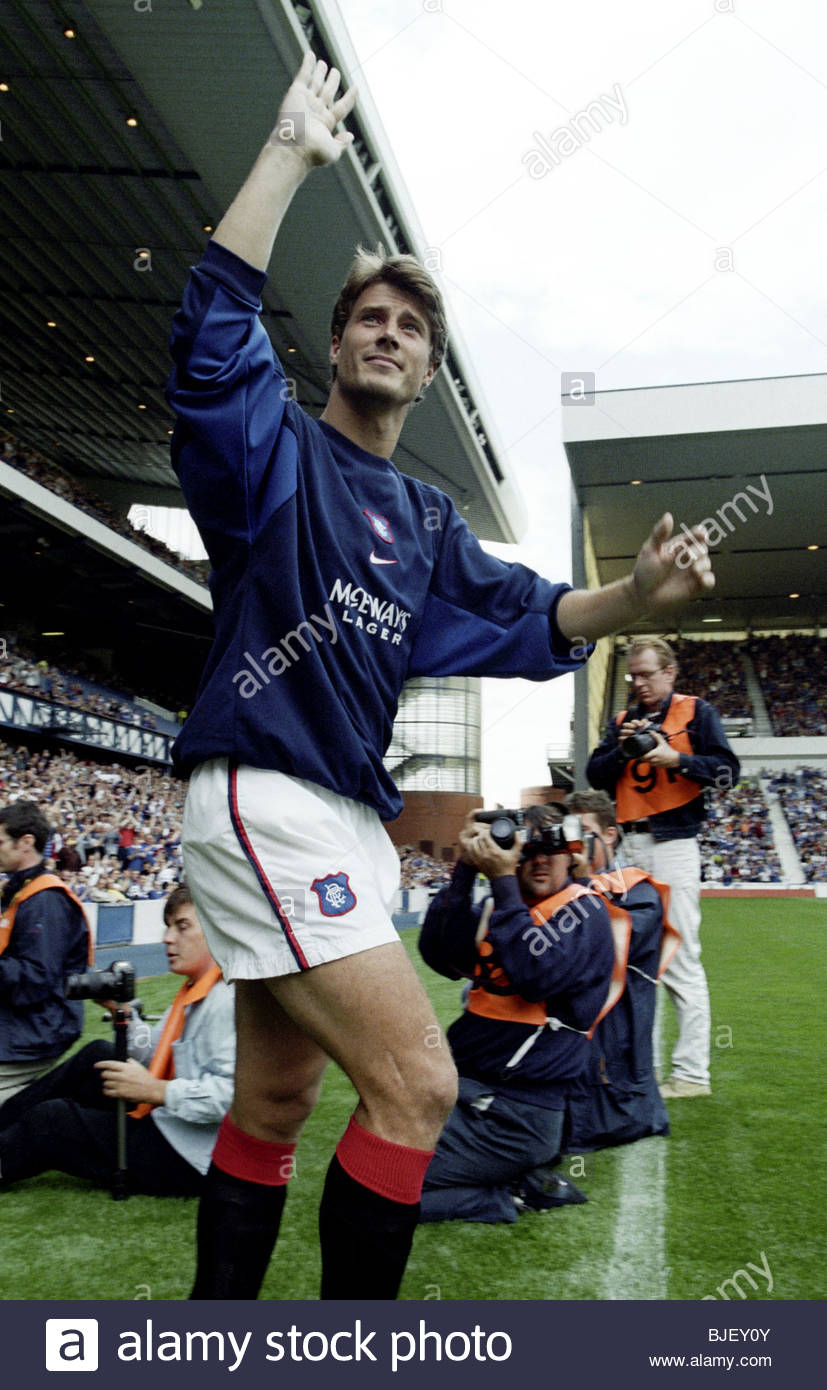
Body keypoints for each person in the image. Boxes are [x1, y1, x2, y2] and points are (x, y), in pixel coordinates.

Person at [165, 53, 716, 1300]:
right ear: (337, 346)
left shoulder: (421, 520)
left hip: (348, 816)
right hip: (268, 790)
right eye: (369, 316)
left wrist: (632, 601)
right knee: (417, 1086)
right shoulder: (278, 454)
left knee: (276, 1096)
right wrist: (292, 152)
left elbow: (527, 613)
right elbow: (208, 340)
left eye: (411, 328)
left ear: (425, 374)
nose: (388, 332)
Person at [418, 807, 616, 1222]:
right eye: (528, 850)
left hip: (515, 1113)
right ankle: (503, 1176)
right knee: (377, 1149)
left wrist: (505, 881)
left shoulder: (585, 912)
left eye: (553, 848)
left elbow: (535, 974)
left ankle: (508, 1195)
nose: (540, 859)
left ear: (571, 855)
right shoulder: (503, 907)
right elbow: (440, 954)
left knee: (386, 1190)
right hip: (470, 1093)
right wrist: (467, 868)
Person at [0, 888, 234, 1196]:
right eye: (167, 926)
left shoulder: (229, 1001)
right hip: (170, 1116)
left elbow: (230, 1098)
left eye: (182, 926)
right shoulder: (195, 991)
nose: (167, 937)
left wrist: (155, 1090)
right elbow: (155, 1053)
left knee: (53, 1121)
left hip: (189, 1157)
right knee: (97, 1057)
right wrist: (120, 1010)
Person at [586, 637, 740, 1098]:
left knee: (680, 958)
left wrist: (677, 759)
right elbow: (595, 775)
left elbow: (728, 771)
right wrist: (624, 748)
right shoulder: (621, 721)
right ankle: (642, 1068)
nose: (639, 683)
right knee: (632, 961)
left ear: (670, 672)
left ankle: (692, 1073)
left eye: (648, 674)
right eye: (633, 675)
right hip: (629, 848)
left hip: (673, 844)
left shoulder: (695, 712)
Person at [561, 790, 680, 1149]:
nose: (572, 844)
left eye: (581, 831)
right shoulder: (554, 886)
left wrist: (579, 887)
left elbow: (600, 946)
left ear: (609, 834)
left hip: (615, 1061)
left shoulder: (637, 891)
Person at [0, 800, 91, 1105]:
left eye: (0, 841)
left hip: (37, 1028)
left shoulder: (46, 899)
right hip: (20, 1020)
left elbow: (36, 977)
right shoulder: (18, 891)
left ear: (26, 843)